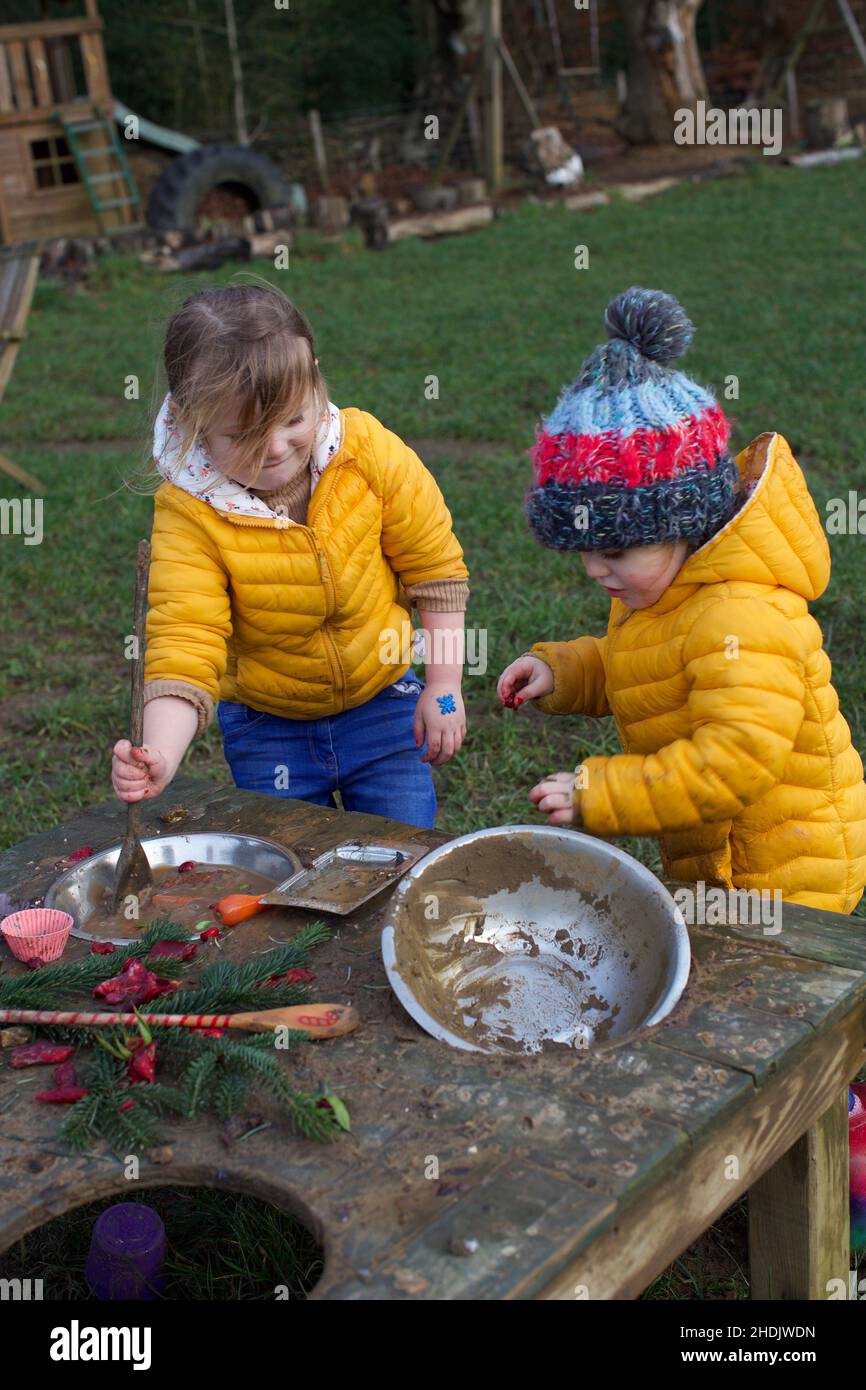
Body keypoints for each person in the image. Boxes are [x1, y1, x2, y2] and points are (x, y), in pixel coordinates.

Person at [498, 286, 866, 914]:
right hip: (719, 859)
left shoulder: (740, 618)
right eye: (585, 552)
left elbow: (734, 764)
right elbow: (650, 665)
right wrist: (566, 671)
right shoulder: (670, 586)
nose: (594, 570)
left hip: (785, 875)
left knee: (769, 1001)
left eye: (613, 552)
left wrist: (603, 794)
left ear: (684, 522)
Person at [112, 282, 469, 829]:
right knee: (293, 867)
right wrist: (159, 753)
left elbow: (435, 572)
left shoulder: (368, 452)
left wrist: (443, 687)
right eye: (244, 433)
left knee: (403, 852)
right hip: (268, 728)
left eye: (294, 419)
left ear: (315, 377)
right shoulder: (189, 510)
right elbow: (186, 636)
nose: (276, 447)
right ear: (191, 420)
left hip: (383, 704)